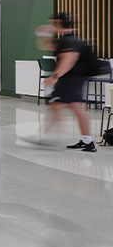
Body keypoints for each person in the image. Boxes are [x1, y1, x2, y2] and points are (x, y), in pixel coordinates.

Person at [45, 12, 98, 152]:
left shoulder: (70, 41)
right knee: (77, 109)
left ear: (58, 23)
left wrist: (55, 77)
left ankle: (49, 138)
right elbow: (47, 45)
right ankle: (87, 141)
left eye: (54, 23)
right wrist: (44, 33)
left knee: (55, 105)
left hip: (71, 79)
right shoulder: (68, 39)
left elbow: (69, 60)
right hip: (75, 79)